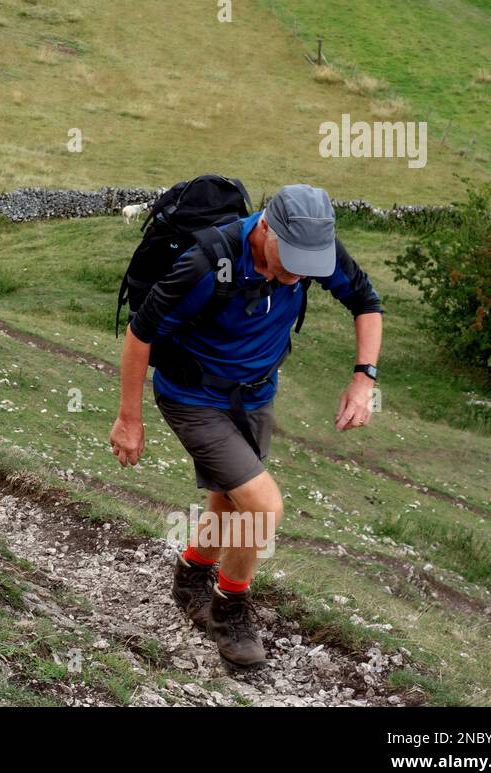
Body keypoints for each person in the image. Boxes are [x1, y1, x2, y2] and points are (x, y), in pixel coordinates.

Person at [109, 184, 383, 667]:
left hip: (256, 394)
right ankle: (229, 609)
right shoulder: (205, 264)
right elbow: (140, 334)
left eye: (309, 262)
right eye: (292, 258)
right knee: (263, 507)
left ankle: (192, 574)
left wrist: (364, 378)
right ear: (265, 228)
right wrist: (129, 418)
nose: (299, 272)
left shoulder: (318, 250)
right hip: (193, 396)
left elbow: (365, 301)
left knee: (231, 498)